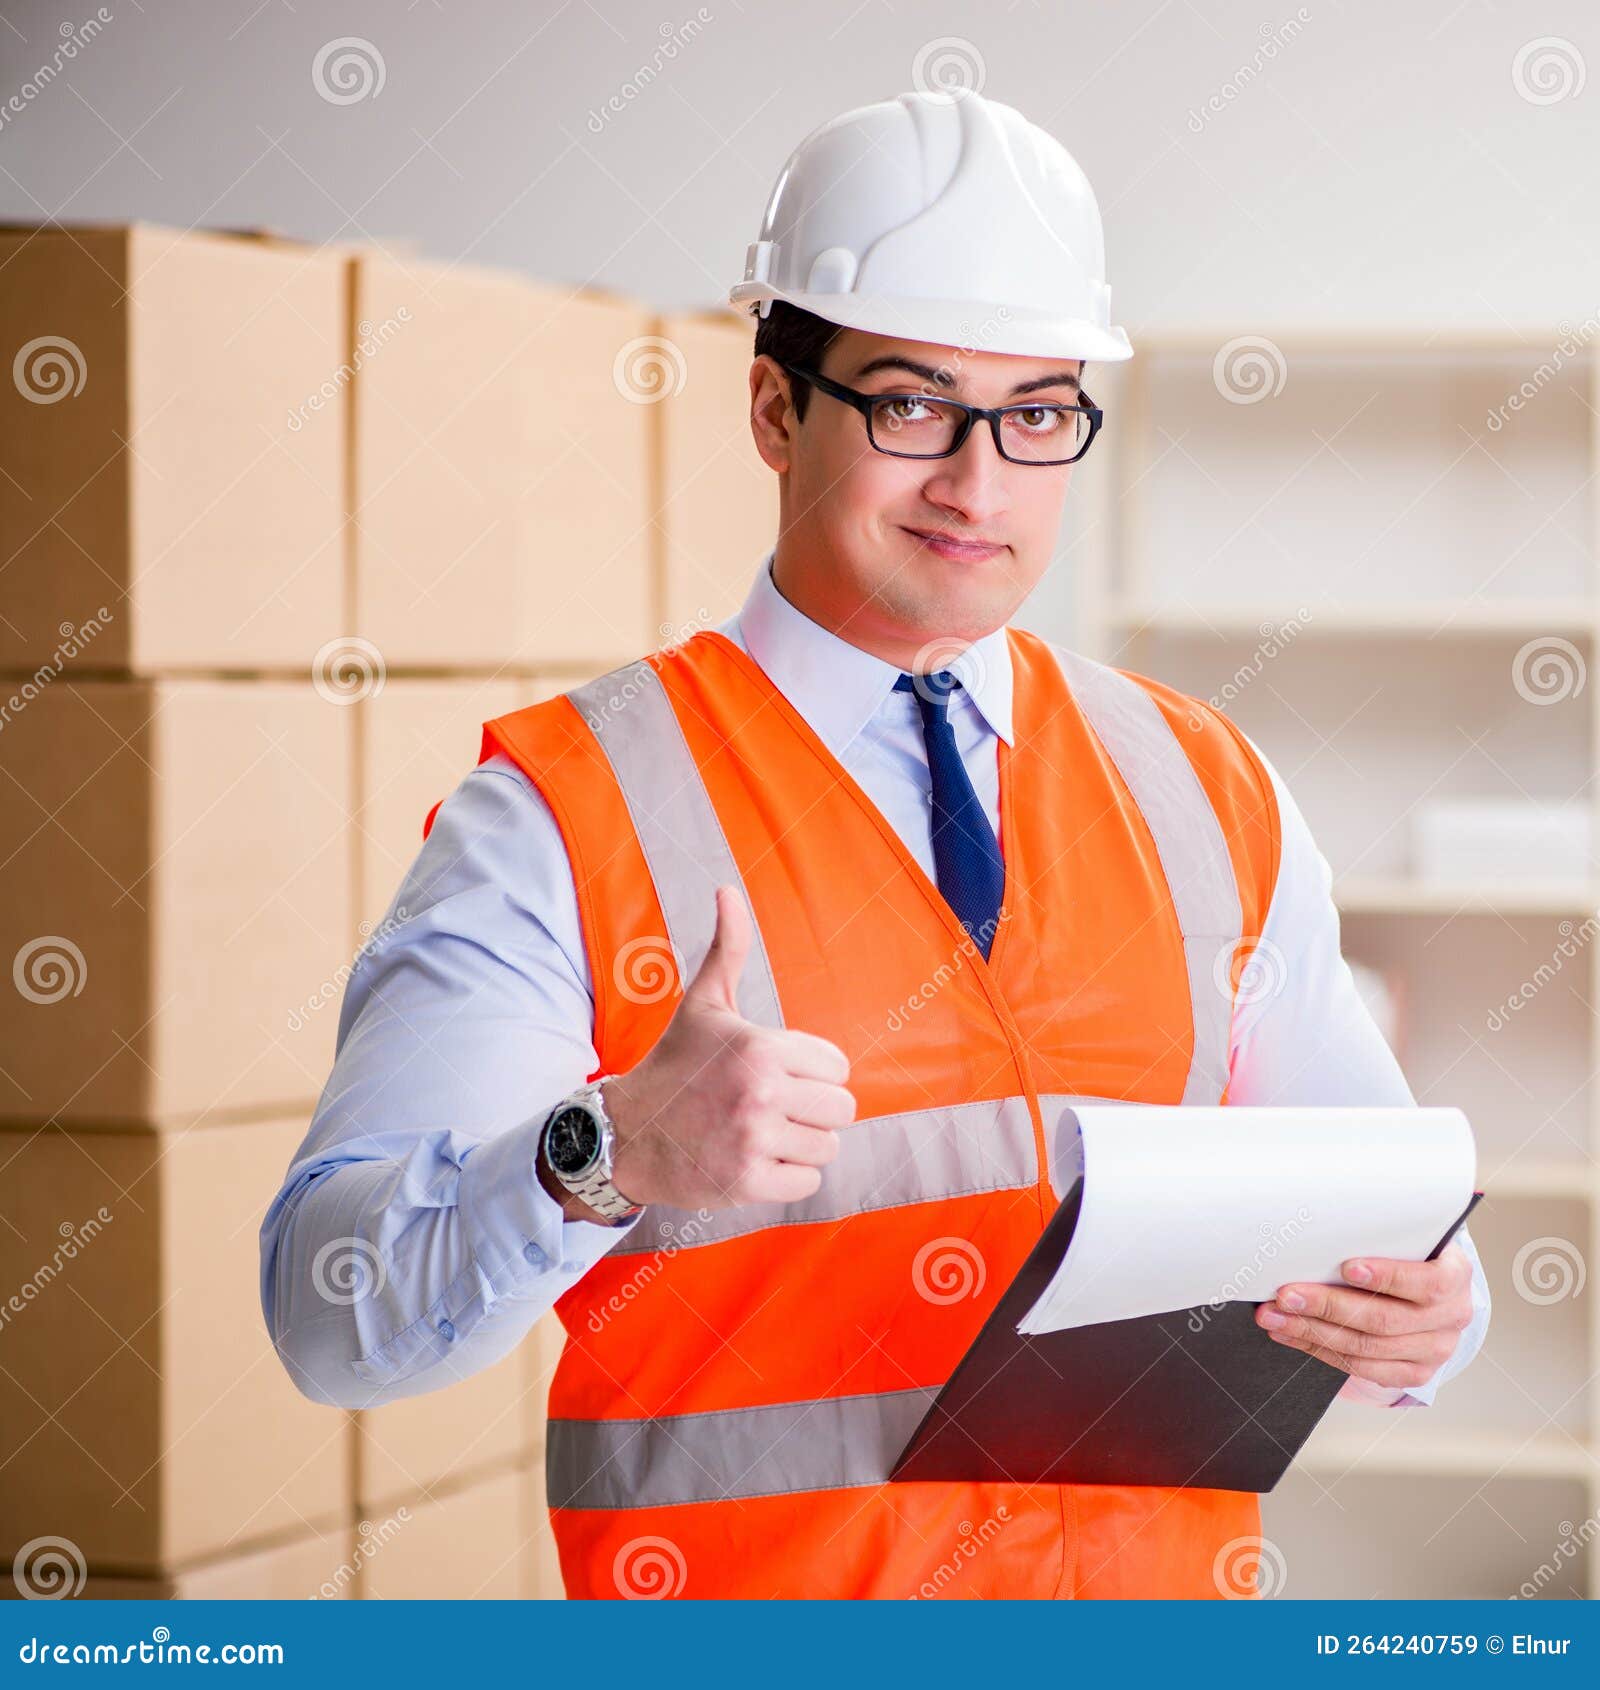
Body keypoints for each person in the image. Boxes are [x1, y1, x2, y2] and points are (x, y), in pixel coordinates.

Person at [260, 88, 1490, 1600]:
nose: (980, 486)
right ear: (778, 407)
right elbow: (330, 1318)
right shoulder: (566, 805)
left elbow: (1389, 1232)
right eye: (914, 405)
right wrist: (607, 1151)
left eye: (1037, 412)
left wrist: (1432, 1321)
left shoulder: (1206, 783)